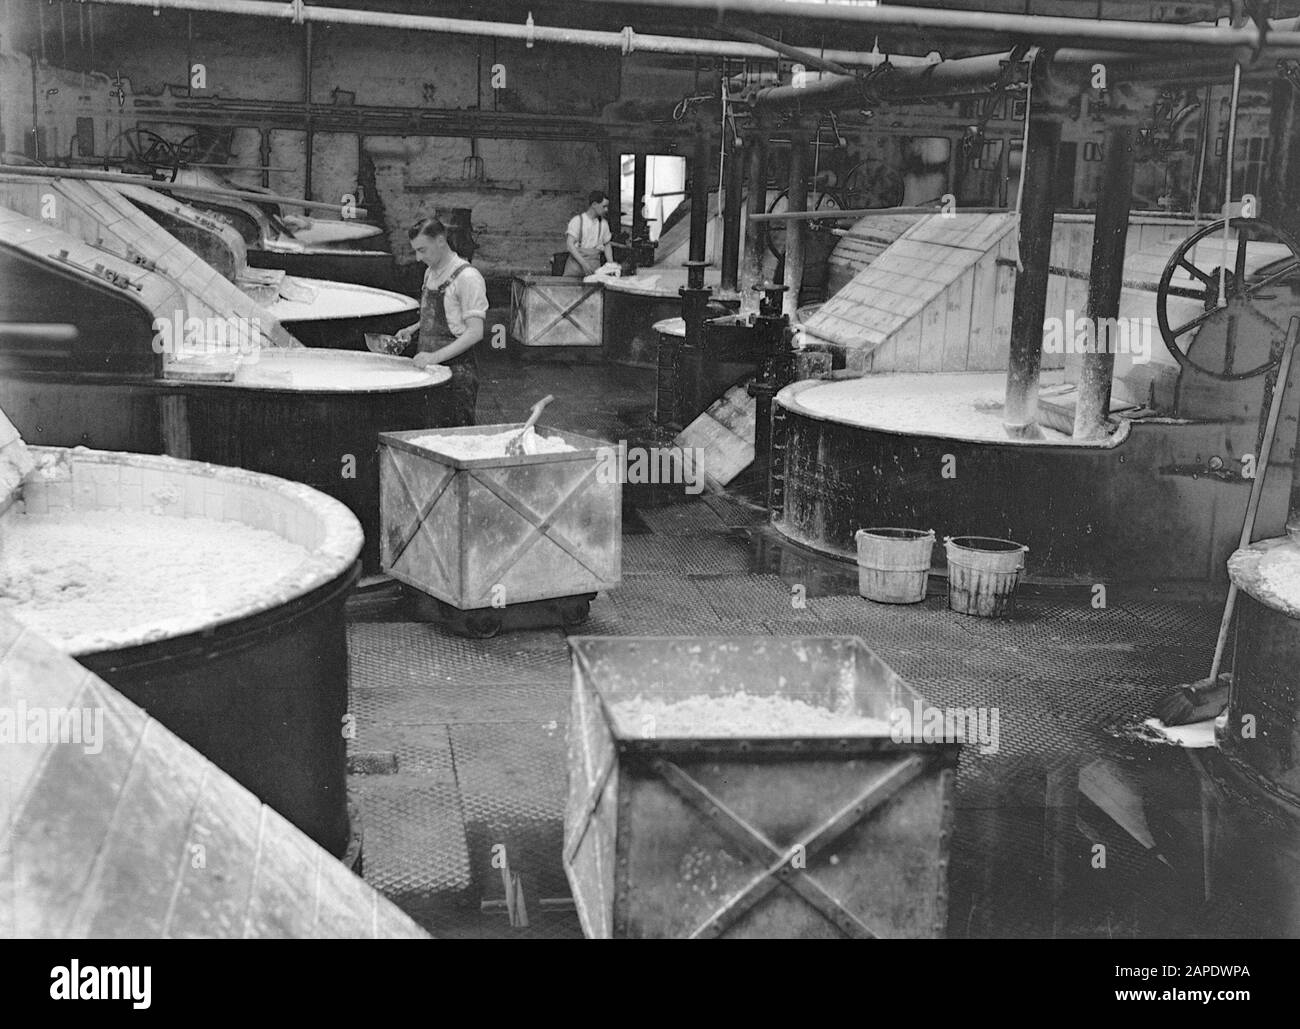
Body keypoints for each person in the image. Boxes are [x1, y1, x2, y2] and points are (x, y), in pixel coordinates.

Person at [395, 217, 489, 426]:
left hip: (457, 375)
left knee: (453, 435)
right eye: (416, 251)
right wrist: (412, 330)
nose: (419, 258)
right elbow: (442, 316)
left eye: (422, 250)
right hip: (430, 370)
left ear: (440, 241)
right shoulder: (430, 272)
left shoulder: (467, 277)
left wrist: (434, 357)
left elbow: (475, 332)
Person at [564, 190, 613, 277]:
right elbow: (570, 245)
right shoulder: (577, 221)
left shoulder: (604, 224)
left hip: (594, 268)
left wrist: (611, 265)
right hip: (576, 267)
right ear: (594, 204)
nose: (606, 209)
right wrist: (584, 264)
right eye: (604, 206)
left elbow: (607, 245)